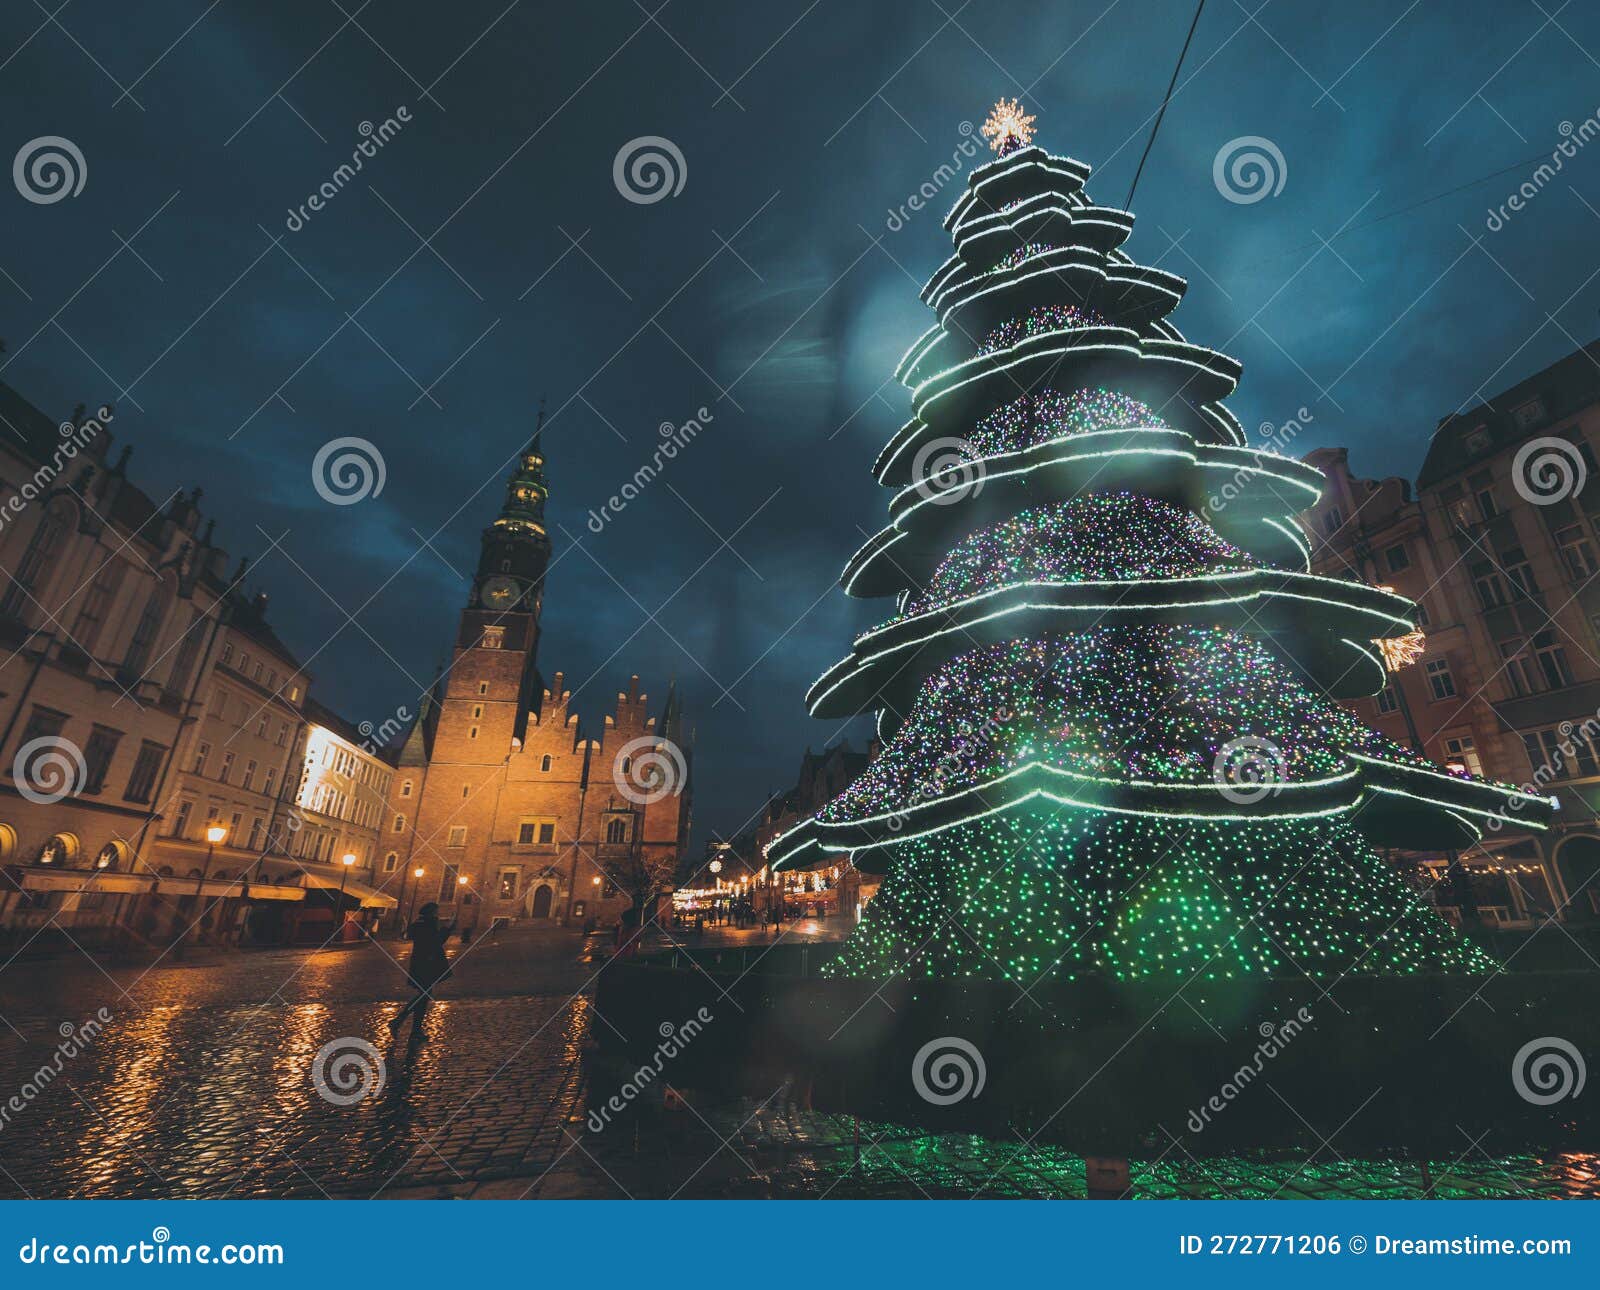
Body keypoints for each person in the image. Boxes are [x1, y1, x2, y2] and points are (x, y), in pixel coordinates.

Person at [388, 902, 452, 1043]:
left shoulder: (420, 924)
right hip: (426, 964)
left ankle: (414, 1030)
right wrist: (447, 929)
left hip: (420, 963)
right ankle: (399, 1021)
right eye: (436, 912)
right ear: (431, 913)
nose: (438, 914)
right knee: (424, 995)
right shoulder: (428, 925)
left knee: (424, 997)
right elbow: (436, 942)